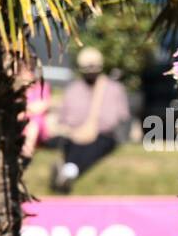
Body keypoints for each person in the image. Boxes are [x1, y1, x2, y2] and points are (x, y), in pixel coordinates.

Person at [51, 46, 130, 193]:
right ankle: (69, 172)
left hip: (103, 135)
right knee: (73, 144)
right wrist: (73, 130)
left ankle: (68, 171)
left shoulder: (113, 88)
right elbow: (63, 119)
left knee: (96, 145)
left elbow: (120, 116)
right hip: (74, 135)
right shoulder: (73, 89)